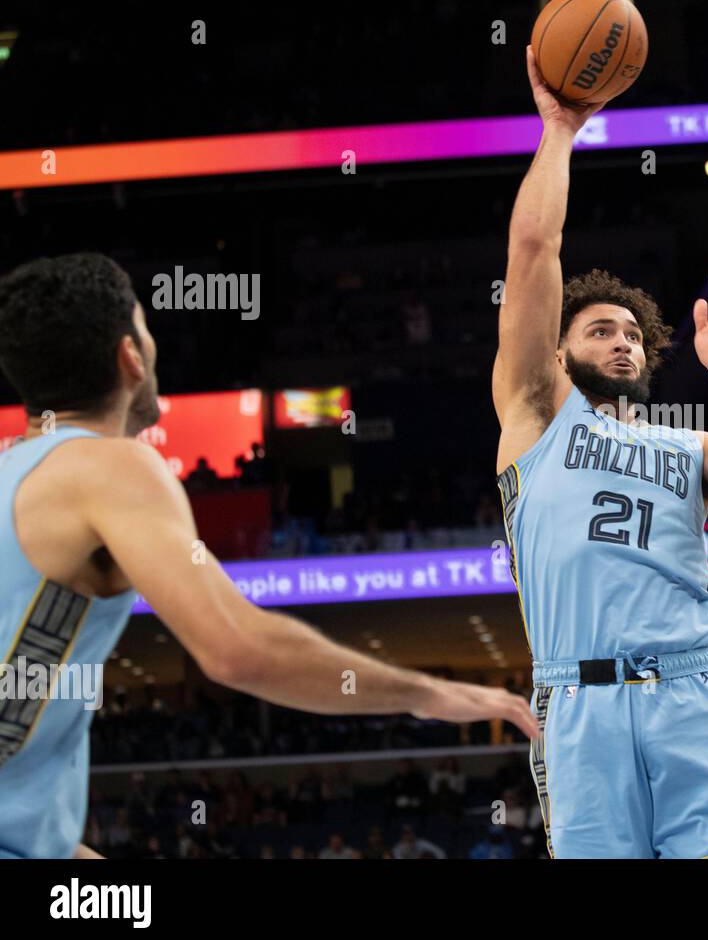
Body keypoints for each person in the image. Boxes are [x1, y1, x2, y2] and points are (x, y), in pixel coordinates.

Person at [0, 254, 537, 859]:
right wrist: (431, 695)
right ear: (130, 355)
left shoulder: (14, 473)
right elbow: (237, 649)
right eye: (147, 330)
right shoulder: (113, 466)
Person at [491, 46, 708, 858]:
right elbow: (533, 254)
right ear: (557, 355)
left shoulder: (689, 441)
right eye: (601, 330)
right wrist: (560, 131)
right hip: (578, 703)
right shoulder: (535, 417)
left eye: (633, 333)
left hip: (691, 694)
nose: (624, 344)